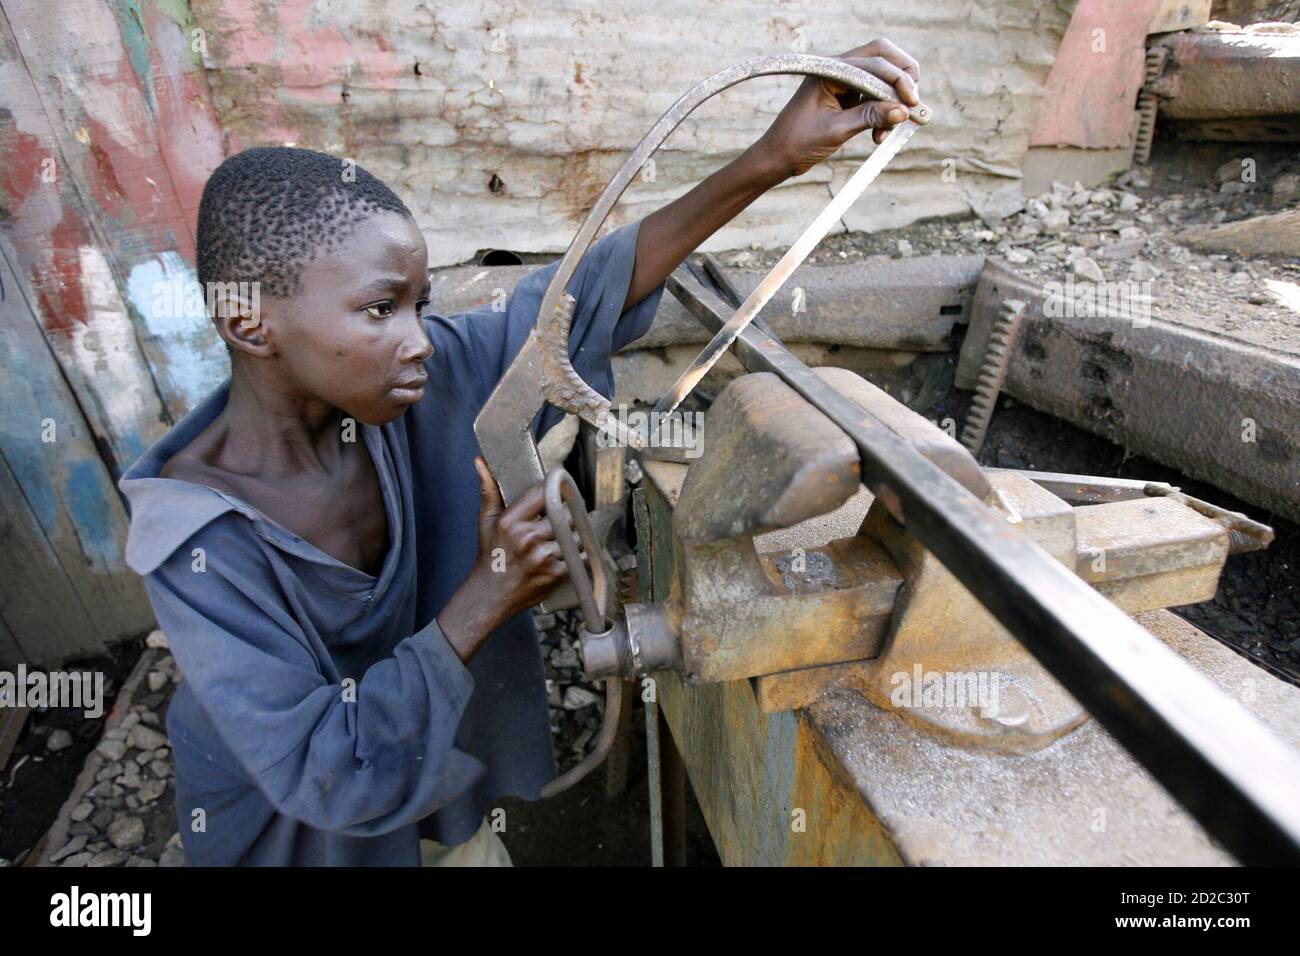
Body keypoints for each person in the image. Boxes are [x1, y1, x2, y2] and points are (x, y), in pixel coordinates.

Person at [118, 41, 921, 865]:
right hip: (306, 836)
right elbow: (325, 767)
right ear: (250, 323)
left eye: (420, 306)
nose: (419, 341)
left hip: (435, 783)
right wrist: (488, 596)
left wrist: (770, 160)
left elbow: (574, 302)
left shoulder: (409, 388)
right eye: (379, 309)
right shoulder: (198, 546)